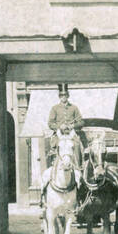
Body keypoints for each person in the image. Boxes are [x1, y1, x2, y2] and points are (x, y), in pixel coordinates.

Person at [39, 84, 85, 212]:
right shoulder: (55, 108)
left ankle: (77, 167)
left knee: (76, 145)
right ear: (59, 97)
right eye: (61, 96)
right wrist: (60, 127)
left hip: (71, 134)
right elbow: (50, 123)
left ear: (68, 96)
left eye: (65, 95)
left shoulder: (74, 108)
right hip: (59, 135)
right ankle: (51, 172)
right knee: (54, 146)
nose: (63, 98)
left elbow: (81, 122)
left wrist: (71, 126)